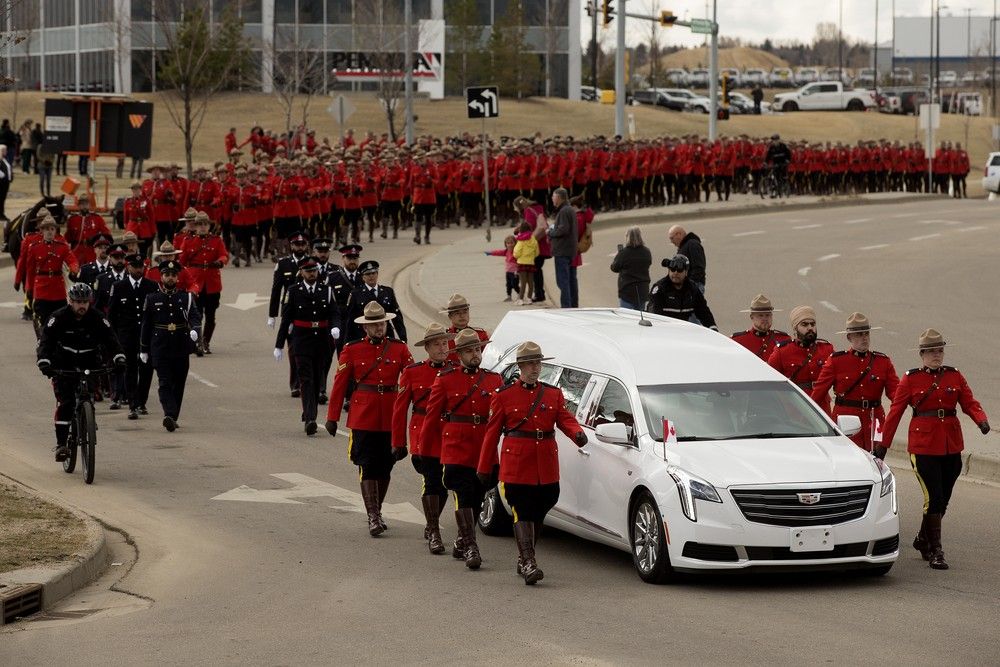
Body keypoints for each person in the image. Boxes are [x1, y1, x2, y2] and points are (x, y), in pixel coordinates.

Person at [478, 341, 587, 585]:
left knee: (543, 505)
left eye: (538, 363)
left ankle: (526, 556)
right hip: (517, 464)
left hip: (545, 464)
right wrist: (485, 467)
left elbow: (564, 419)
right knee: (523, 510)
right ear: (520, 366)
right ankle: (528, 561)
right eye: (530, 364)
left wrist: (577, 433)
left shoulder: (552, 393)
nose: (535, 368)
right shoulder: (504, 396)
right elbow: (491, 434)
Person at [880, 329, 990, 571]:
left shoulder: (954, 376)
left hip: (951, 444)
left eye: (939, 350)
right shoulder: (911, 379)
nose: (936, 355)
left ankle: (922, 538)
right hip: (923, 447)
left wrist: (980, 419)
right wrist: (883, 446)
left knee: (944, 498)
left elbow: (969, 402)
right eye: (931, 351)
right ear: (922, 354)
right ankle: (936, 551)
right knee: (934, 497)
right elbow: (895, 413)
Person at [325, 301, 414, 537]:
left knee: (386, 465)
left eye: (382, 323)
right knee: (366, 463)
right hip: (363, 415)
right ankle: (373, 516)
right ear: (365, 328)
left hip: (390, 414)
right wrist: (332, 417)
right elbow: (340, 384)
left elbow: (413, 376)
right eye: (374, 325)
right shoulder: (351, 349)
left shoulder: (399, 349)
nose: (379, 328)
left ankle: (378, 510)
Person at [421, 328, 503, 570]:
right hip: (456, 447)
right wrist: (425, 453)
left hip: (484, 449)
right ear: (458, 354)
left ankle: (461, 539)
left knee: (478, 496)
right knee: (464, 495)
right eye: (469, 350)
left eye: (477, 349)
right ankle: (471, 546)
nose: (475, 354)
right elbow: (431, 418)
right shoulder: (445, 379)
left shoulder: (494, 380)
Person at [36, 283, 126, 461]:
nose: (82, 306)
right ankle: (62, 444)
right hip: (64, 364)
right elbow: (46, 341)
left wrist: (119, 357)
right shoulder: (58, 318)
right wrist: (44, 361)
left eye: (85, 301)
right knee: (66, 403)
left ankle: (87, 420)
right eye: (78, 302)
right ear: (70, 301)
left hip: (90, 362)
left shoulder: (98, 318)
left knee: (89, 395)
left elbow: (111, 340)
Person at [392, 323, 454, 554]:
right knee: (431, 480)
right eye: (437, 344)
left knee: (445, 484)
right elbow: (400, 410)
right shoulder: (412, 372)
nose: (442, 348)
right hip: (423, 434)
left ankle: (431, 522)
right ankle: (435, 531)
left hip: (449, 434)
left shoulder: (455, 369)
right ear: (426, 347)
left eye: (445, 343)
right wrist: (399, 443)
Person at [811, 313, 899, 451]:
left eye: (866, 334)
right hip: (845, 423)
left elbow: (896, 395)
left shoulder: (883, 362)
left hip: (874, 421)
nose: (864, 338)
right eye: (859, 334)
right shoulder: (836, 361)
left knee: (877, 464)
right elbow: (817, 395)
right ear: (849, 337)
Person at [274, 257, 342, 435]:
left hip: (322, 341)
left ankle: (309, 412)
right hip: (302, 341)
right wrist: (279, 345)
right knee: (306, 379)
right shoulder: (294, 291)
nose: (312, 273)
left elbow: (334, 312)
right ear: (301, 272)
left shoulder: (326, 291)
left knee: (318, 378)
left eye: (314, 270)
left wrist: (335, 326)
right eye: (308, 271)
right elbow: (286, 319)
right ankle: (311, 419)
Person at [140, 259, 202, 432]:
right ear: (161, 277)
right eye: (167, 275)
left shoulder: (186, 297)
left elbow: (195, 316)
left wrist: (195, 330)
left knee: (179, 382)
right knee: (164, 381)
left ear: (177, 277)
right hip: (160, 346)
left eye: (173, 275)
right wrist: (144, 348)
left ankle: (173, 416)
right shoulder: (152, 299)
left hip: (181, 345)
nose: (170, 278)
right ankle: (169, 413)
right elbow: (146, 325)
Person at [108, 254, 159, 420]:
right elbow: (113, 315)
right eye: (135, 266)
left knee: (146, 369)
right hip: (127, 336)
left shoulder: (151, 286)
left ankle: (141, 401)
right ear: (128, 267)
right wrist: (114, 338)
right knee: (130, 370)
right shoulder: (119, 286)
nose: (139, 270)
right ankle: (132, 404)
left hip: (146, 336)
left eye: (141, 266)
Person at [268, 231, 311, 396]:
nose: (299, 247)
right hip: (290, 313)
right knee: (294, 350)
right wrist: (272, 315)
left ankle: (311, 382)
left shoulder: (311, 263)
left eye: (302, 244)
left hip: (309, 311)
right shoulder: (283, 264)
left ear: (306, 245)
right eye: (296, 244)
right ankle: (296, 383)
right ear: (291, 246)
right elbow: (276, 290)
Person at [767, 306, 834, 410]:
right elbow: (770, 381)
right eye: (804, 324)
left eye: (813, 324)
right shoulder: (782, 351)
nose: (810, 328)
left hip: (822, 407)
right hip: (795, 408)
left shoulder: (827, 349)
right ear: (795, 328)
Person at [24, 215, 80, 337]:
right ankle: (43, 343)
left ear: (55, 231)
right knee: (43, 320)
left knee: (61, 319)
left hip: (58, 289)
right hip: (41, 289)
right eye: (46, 229)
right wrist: (29, 289)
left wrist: (73, 270)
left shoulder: (62, 246)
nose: (49, 231)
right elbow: (30, 271)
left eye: (52, 229)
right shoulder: (34, 248)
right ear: (42, 231)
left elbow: (72, 260)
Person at [182, 211, 229, 355]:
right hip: (196, 282)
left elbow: (224, 255)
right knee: (197, 315)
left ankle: (206, 341)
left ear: (209, 226)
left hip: (212, 283)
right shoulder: (189, 241)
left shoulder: (216, 240)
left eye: (205, 224)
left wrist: (220, 261)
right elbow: (183, 260)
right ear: (195, 226)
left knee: (210, 314)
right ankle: (197, 342)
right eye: (199, 224)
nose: (202, 227)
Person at [645, 254, 717, 329]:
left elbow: (703, 311)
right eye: (672, 269)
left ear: (686, 272)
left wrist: (712, 327)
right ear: (669, 270)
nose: (675, 273)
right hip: (663, 330)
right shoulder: (660, 288)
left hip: (682, 330)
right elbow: (652, 313)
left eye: (679, 270)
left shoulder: (692, 289)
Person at [344, 260, 406, 343]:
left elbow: (397, 318)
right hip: (364, 336)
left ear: (377, 274)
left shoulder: (387, 291)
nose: (371, 276)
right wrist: (347, 342)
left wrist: (403, 339)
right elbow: (350, 320)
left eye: (373, 273)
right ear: (363, 277)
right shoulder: (356, 294)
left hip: (386, 335)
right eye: (368, 274)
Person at [731, 294, 790, 360]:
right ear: (751, 317)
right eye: (760, 315)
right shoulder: (737, 341)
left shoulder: (784, 340)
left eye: (767, 315)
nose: (765, 319)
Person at [547, 187, 578, 309]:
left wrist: (550, 232)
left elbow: (563, 230)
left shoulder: (564, 211)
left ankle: (566, 306)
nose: (552, 199)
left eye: (553, 196)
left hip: (563, 251)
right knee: (571, 281)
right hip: (570, 250)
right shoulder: (569, 209)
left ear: (559, 198)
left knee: (563, 281)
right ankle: (573, 305)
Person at [610, 225, 651, 309]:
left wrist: (618, 255)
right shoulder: (646, 251)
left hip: (627, 291)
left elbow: (614, 268)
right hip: (642, 289)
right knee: (640, 315)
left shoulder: (624, 253)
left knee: (627, 316)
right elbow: (649, 263)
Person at [440, 293, 489, 363]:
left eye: (465, 312)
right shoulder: (444, 338)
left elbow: (487, 358)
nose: (462, 316)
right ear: (450, 316)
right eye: (457, 313)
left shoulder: (480, 335)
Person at [64, 195, 111, 265]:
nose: (84, 206)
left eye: (86, 204)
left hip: (92, 251)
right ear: (79, 206)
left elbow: (107, 234)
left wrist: (97, 240)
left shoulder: (97, 218)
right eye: (82, 204)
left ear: (89, 205)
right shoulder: (72, 219)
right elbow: (68, 238)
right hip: (77, 252)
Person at [666, 224, 706, 294]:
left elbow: (698, 267)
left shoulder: (692, 244)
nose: (671, 242)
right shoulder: (684, 247)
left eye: (672, 238)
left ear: (679, 234)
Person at [485, 234, 518, 302]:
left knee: (514, 284)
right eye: (508, 243)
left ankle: (520, 294)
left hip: (515, 272)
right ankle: (509, 296)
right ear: (505, 244)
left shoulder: (516, 251)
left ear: (515, 243)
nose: (510, 245)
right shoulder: (506, 251)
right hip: (508, 272)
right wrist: (491, 253)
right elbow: (499, 252)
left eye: (512, 243)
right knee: (508, 285)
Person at [512, 221, 538, 305]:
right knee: (530, 282)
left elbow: (517, 252)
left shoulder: (521, 240)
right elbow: (537, 252)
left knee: (522, 282)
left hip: (522, 263)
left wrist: (516, 256)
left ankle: (521, 299)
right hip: (531, 263)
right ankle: (529, 298)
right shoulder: (533, 239)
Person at [0, 144, 11, 221]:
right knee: (0, 198)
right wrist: (3, 176)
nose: (6, 151)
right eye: (4, 150)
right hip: (1, 182)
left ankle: (2, 213)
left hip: (6, 182)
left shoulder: (4, 159)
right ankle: (1, 215)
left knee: (3, 199)